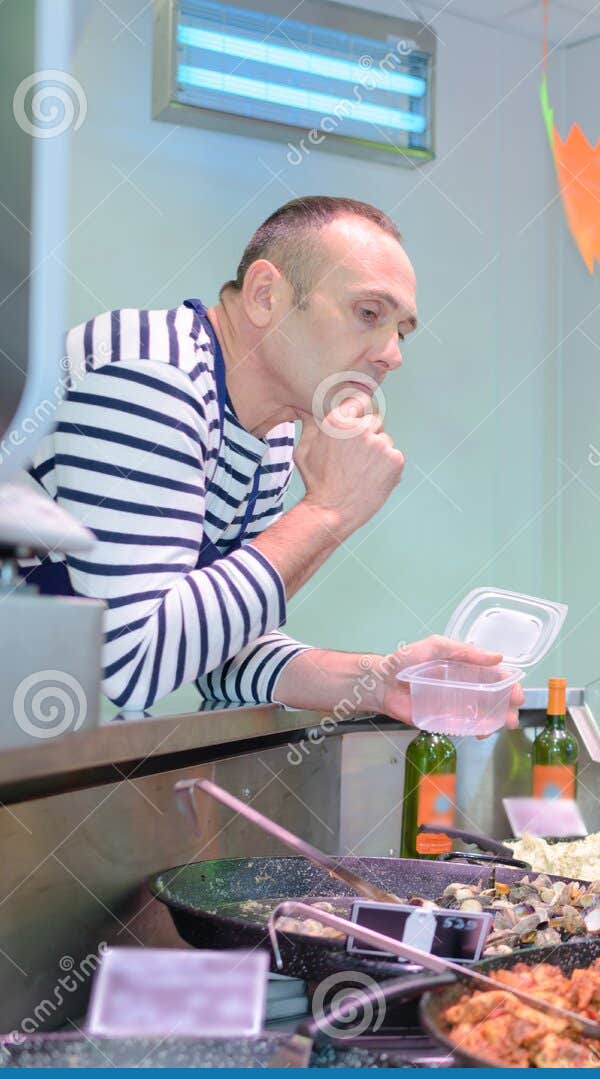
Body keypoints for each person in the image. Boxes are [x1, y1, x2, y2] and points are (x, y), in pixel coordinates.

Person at [21, 196, 521, 728]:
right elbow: (135, 665)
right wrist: (327, 511)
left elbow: (213, 649)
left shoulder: (275, 429)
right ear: (265, 296)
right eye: (369, 313)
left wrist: (382, 682)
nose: (391, 353)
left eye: (401, 330)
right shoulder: (149, 376)